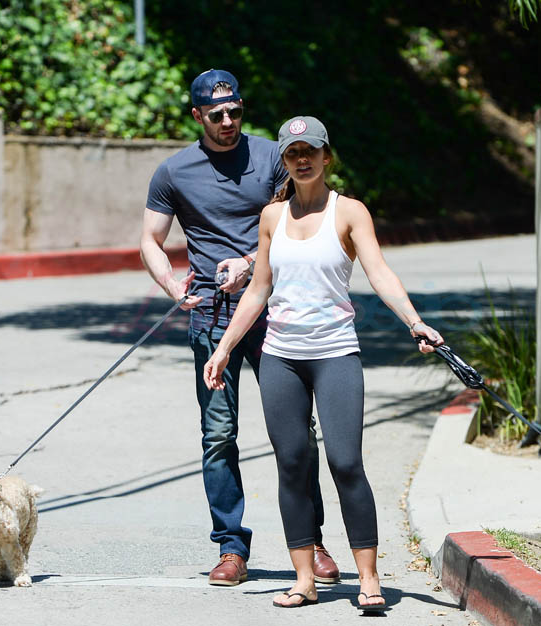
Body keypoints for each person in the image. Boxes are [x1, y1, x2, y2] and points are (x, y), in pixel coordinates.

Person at [202, 115, 444, 609]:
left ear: (326, 156)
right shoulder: (272, 217)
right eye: (293, 154)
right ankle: (304, 580)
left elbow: (379, 272)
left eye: (310, 151)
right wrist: (224, 348)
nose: (302, 160)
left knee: (345, 462)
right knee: (291, 464)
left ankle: (369, 580)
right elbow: (259, 289)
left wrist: (415, 321)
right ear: (285, 162)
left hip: (335, 353)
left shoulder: (349, 212)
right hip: (281, 357)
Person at [139, 70, 339, 587]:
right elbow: (150, 240)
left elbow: (298, 220)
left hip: (276, 312)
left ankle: (312, 541)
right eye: (216, 114)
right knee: (218, 435)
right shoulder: (174, 171)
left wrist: (250, 263)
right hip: (211, 316)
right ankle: (231, 548)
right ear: (197, 116)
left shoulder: (272, 156)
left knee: (295, 433)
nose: (228, 121)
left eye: (235, 111)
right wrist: (172, 284)